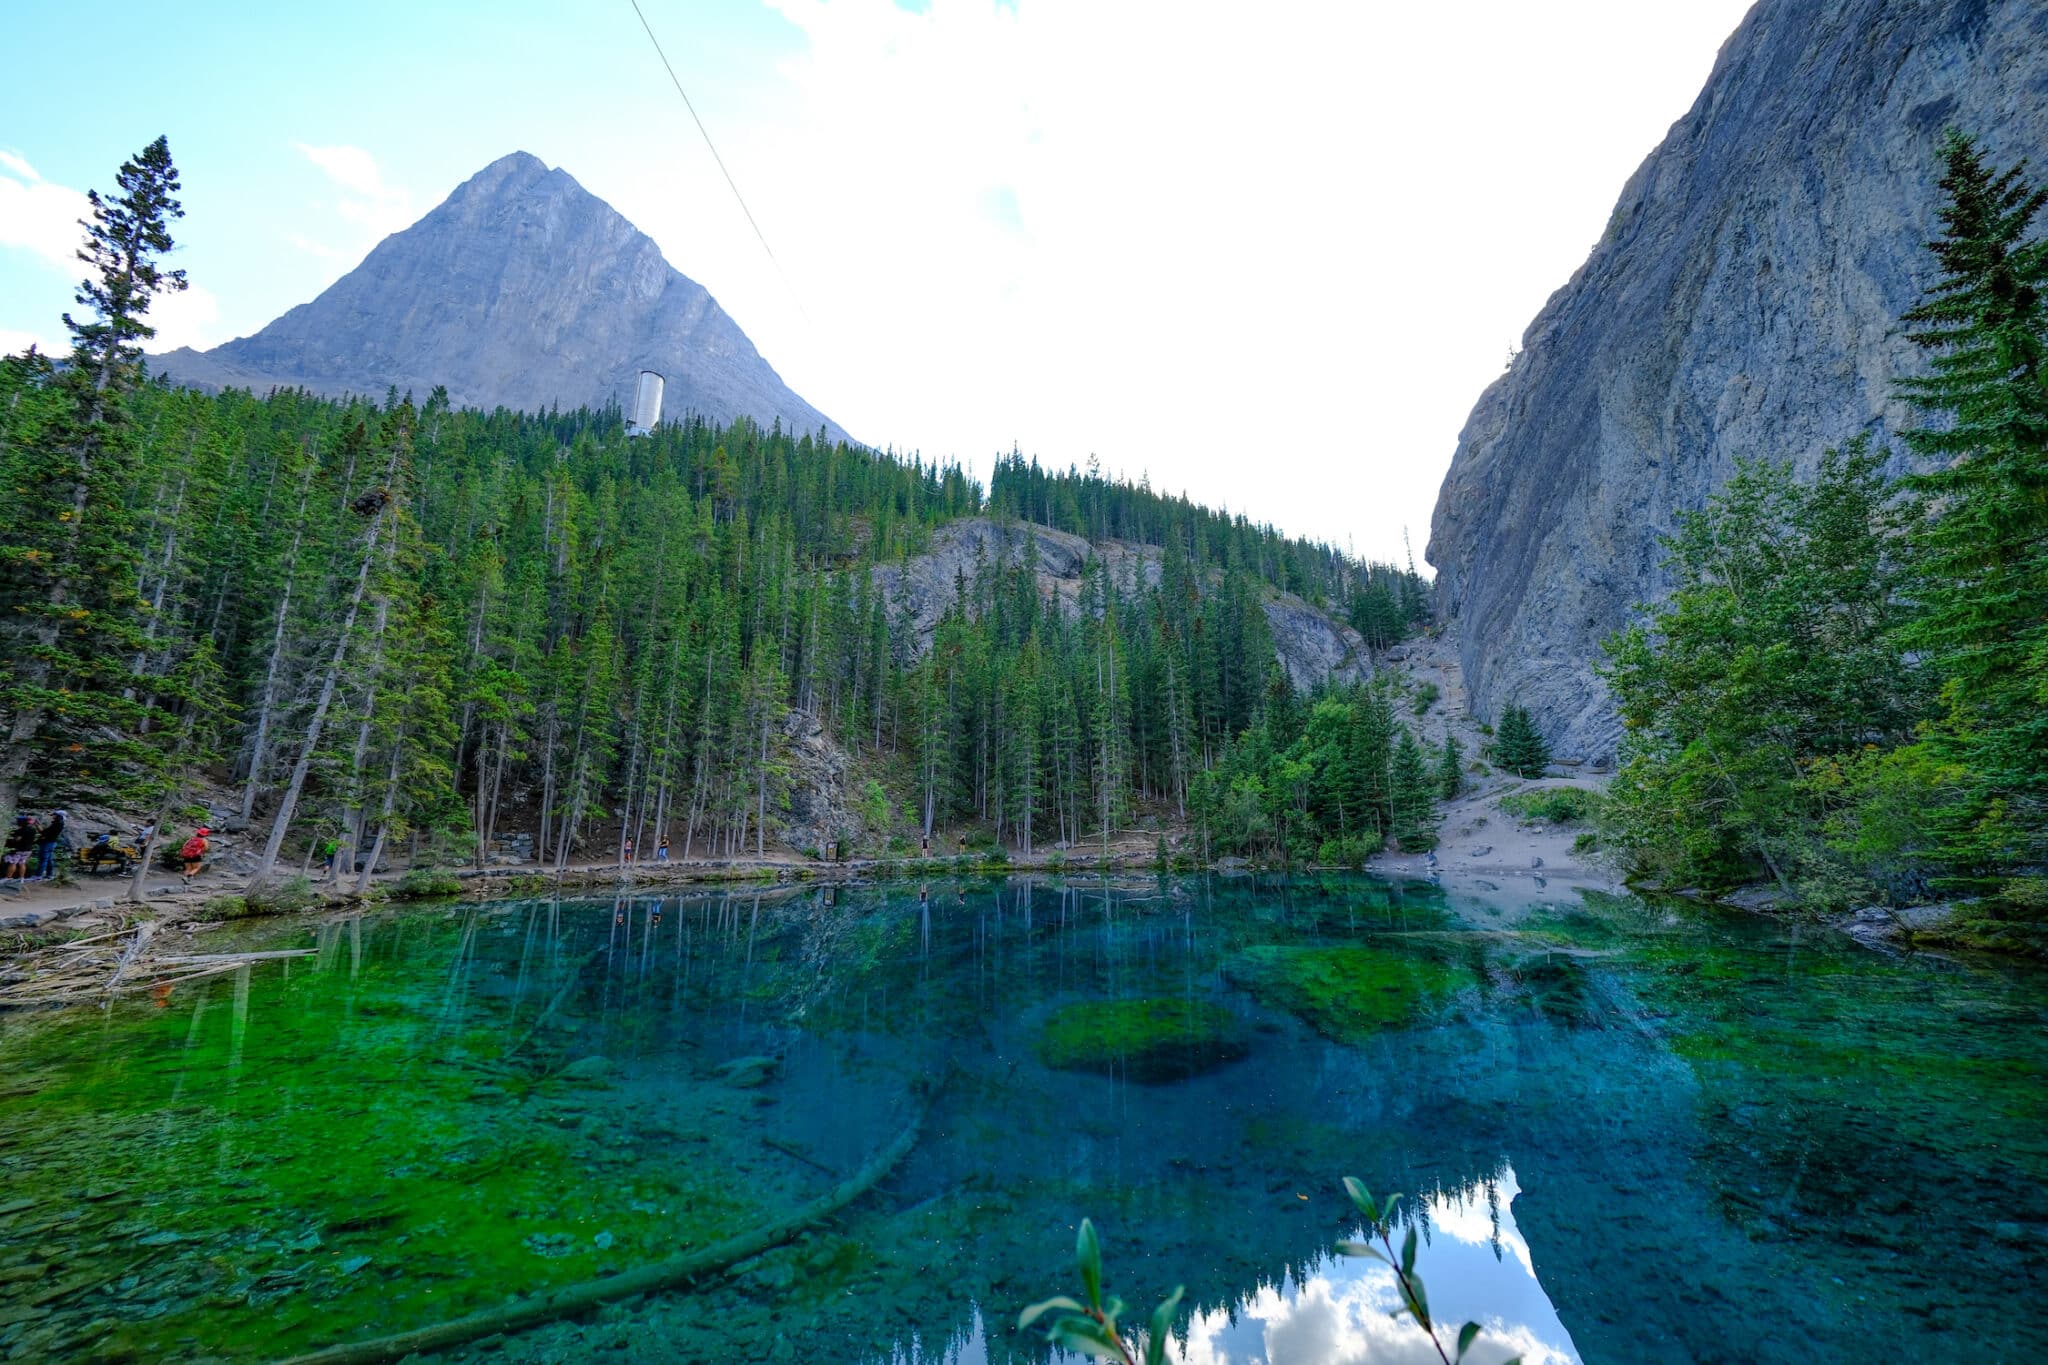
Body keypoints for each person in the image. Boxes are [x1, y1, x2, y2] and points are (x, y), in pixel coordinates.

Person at [33, 810, 66, 880]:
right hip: (52, 843)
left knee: (43, 859)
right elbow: (45, 832)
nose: (53, 816)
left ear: (59, 816)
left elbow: (43, 833)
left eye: (54, 814)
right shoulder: (60, 823)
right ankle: (49, 875)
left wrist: (37, 825)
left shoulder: (57, 824)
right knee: (49, 860)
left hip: (47, 843)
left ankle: (38, 875)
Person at [4, 816, 34, 886]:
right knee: (22, 863)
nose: (17, 822)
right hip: (28, 850)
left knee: (13, 863)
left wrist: (10, 840)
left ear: (21, 822)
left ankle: (8, 878)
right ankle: (21, 879)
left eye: (18, 821)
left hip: (19, 850)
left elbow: (17, 839)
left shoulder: (21, 830)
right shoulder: (32, 830)